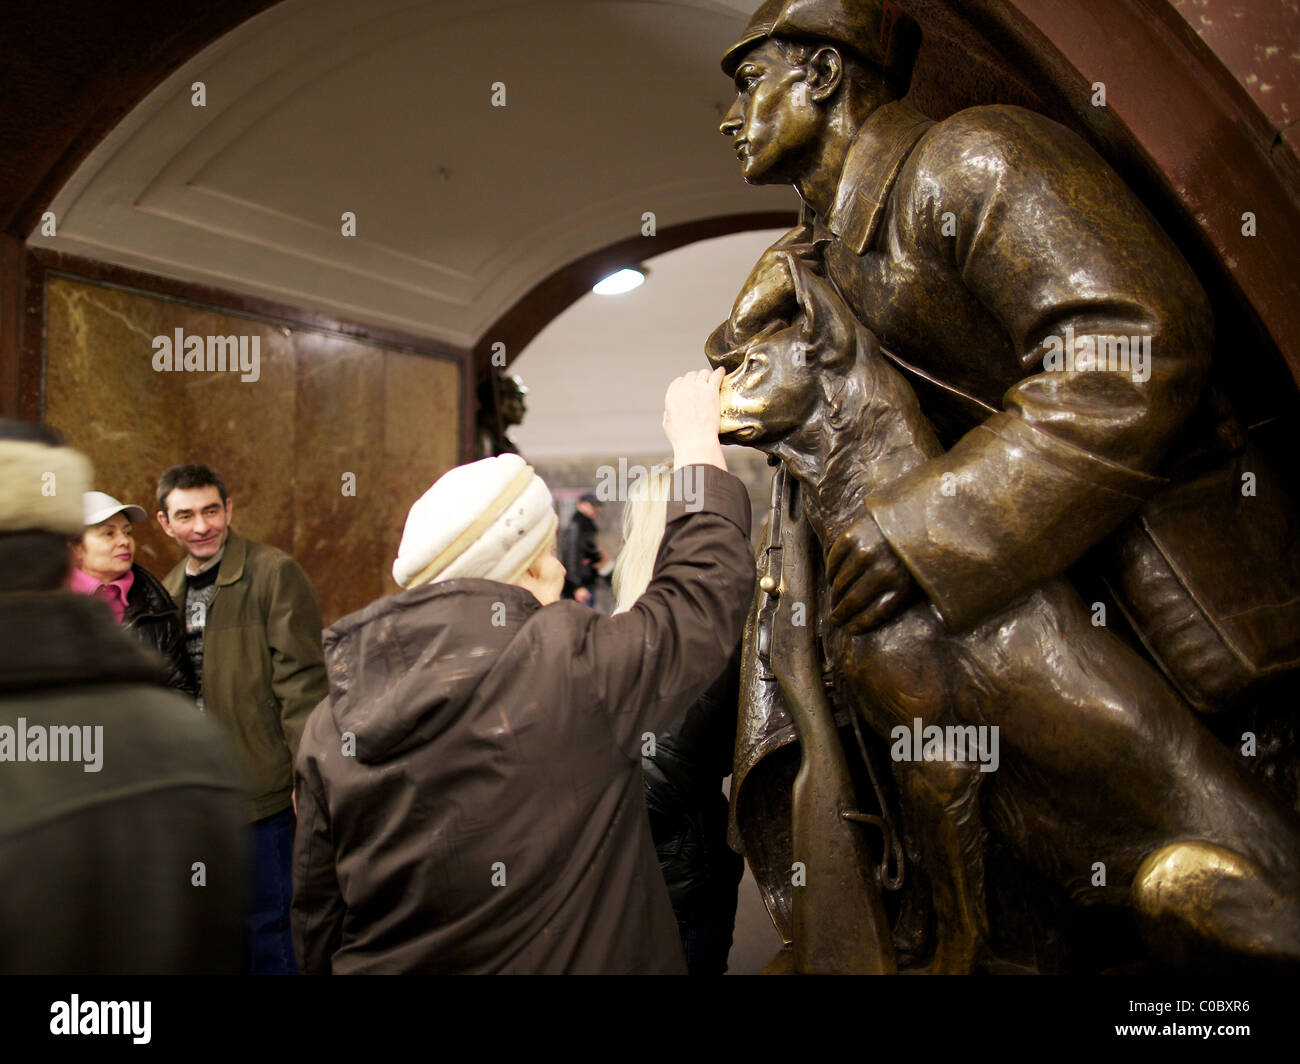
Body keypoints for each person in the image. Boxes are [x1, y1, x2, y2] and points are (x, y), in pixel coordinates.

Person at [291, 368, 755, 973]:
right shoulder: (570, 667)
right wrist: (697, 446)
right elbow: (700, 601)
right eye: (549, 555)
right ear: (535, 567)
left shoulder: (330, 725)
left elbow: (318, 917)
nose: (562, 572)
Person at [0, 420, 246, 973]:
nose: (122, 542)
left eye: (123, 531)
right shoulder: (191, 743)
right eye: (104, 532)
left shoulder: (160, 603)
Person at [156, 463, 327, 975]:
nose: (201, 526)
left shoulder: (273, 572)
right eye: (185, 515)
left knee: (271, 929)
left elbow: (301, 681)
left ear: (229, 510)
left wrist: (305, 768)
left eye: (211, 510)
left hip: (263, 792)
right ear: (166, 525)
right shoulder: (166, 593)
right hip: (200, 799)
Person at [612, 464, 745, 974]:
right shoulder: (660, 626)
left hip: (674, 881)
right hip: (659, 873)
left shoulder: (700, 636)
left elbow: (657, 783)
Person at [70, 490, 196, 698]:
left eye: (127, 532)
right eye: (109, 533)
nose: (124, 541)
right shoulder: (43, 604)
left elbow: (180, 691)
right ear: (74, 547)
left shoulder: (156, 608)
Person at [560, 491, 610, 605]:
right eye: (592, 505)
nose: (595, 509)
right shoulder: (577, 526)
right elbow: (570, 557)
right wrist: (576, 586)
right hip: (580, 586)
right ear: (581, 505)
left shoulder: (586, 526)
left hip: (587, 583)